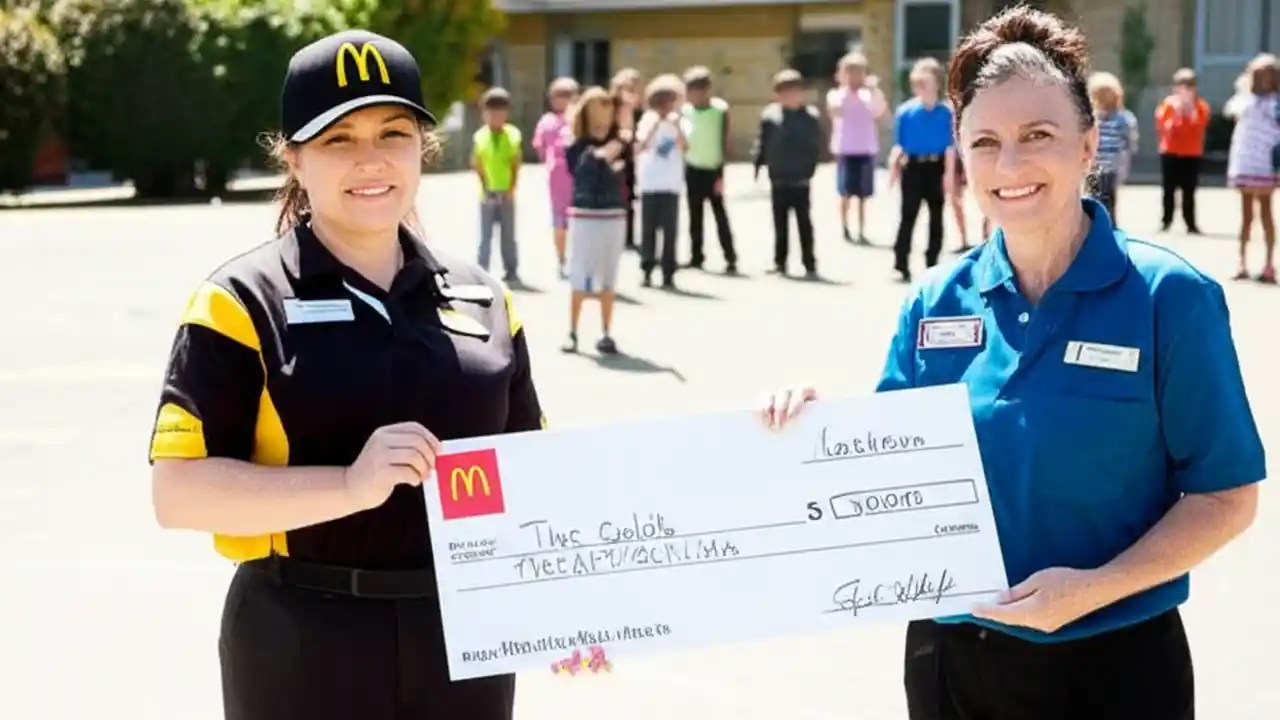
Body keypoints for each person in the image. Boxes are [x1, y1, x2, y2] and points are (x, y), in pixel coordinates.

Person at [759, 7, 1264, 720]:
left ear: (1089, 144)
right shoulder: (934, 301)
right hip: (951, 659)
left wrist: (1093, 587)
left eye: (1039, 136)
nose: (1011, 165)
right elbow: (889, 471)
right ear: (960, 153)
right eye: (986, 142)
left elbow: (1226, 496)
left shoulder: (1170, 299)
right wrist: (811, 426)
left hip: (1114, 663)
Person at [149, 30, 548, 720]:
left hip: (468, 633)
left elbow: (543, 480)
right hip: (300, 636)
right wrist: (349, 486)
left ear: (420, 149)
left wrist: (771, 441)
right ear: (294, 158)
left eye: (393, 133)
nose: (370, 159)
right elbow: (179, 495)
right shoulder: (239, 301)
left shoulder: (486, 299)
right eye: (338, 138)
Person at [562, 86, 628, 355]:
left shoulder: (622, 143)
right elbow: (583, 170)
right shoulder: (575, 147)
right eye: (596, 113)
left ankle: (606, 332)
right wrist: (605, 154)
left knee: (609, 277)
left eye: (608, 112)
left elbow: (625, 171)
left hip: (614, 214)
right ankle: (573, 332)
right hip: (585, 215)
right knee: (580, 275)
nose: (603, 120)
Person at [888, 57, 956, 282]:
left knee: (936, 217)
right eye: (917, 84)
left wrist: (949, 175)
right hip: (913, 168)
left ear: (937, 83)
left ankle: (932, 262)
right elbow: (899, 145)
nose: (921, 89)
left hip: (936, 167)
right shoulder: (905, 112)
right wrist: (893, 169)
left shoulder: (947, 113)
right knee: (908, 215)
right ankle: (901, 262)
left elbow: (950, 147)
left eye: (925, 83)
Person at [754, 68, 823, 278]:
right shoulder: (770, 117)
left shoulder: (810, 118)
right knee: (780, 222)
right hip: (778, 177)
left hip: (801, 179)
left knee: (804, 222)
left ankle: (809, 262)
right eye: (784, 92)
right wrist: (758, 164)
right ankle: (780, 261)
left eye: (793, 91)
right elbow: (763, 143)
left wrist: (810, 169)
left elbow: (815, 147)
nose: (789, 96)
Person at [1223, 53, 1280, 283]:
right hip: (1246, 162)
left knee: (1266, 212)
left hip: (1266, 164)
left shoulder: (1276, 102)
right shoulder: (1243, 99)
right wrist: (1243, 87)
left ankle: (1268, 263)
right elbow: (1230, 112)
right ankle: (1242, 262)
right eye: (1257, 74)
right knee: (1246, 215)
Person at [681, 65, 738, 274]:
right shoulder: (685, 111)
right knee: (694, 216)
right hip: (692, 168)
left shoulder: (719, 110)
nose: (693, 95)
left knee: (719, 214)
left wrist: (722, 172)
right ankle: (696, 256)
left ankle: (730, 256)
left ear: (707, 90)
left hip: (713, 169)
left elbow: (724, 142)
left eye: (697, 90)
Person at [827, 52, 887, 245]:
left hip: (865, 149)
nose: (855, 77)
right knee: (845, 192)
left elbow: (879, 112)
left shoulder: (869, 95)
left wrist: (875, 91)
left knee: (863, 194)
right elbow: (835, 111)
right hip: (846, 149)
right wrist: (848, 90)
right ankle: (845, 227)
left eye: (859, 72)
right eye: (850, 72)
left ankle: (861, 229)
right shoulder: (836, 94)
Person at [635, 73, 688, 289]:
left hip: (671, 184)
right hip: (650, 183)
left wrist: (676, 127)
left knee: (670, 232)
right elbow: (640, 146)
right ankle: (647, 269)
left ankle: (668, 272)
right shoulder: (647, 119)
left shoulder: (680, 120)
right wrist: (656, 125)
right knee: (648, 231)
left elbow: (685, 146)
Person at [472, 87, 523, 283]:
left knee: (508, 235)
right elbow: (477, 163)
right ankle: (481, 270)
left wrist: (512, 188)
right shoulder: (480, 136)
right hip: (487, 192)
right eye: (491, 111)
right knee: (485, 235)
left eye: (500, 110)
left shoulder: (512, 135)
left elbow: (515, 164)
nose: (495, 115)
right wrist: (484, 185)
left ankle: (511, 269)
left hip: (506, 191)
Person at [533, 76, 580, 278]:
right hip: (557, 178)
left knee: (579, 220)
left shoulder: (579, 119)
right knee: (559, 221)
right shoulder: (547, 121)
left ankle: (579, 258)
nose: (561, 100)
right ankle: (561, 259)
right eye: (557, 95)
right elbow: (539, 147)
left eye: (567, 95)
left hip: (579, 177)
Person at [1155, 68, 1210, 234]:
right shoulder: (1167, 104)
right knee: (1168, 189)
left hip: (1191, 153)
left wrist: (1190, 111)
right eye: (1181, 84)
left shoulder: (1200, 106)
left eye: (1189, 85)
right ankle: (1166, 221)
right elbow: (1163, 127)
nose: (1185, 88)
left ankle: (1190, 223)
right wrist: (1178, 113)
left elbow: (1199, 127)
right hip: (1171, 151)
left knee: (1189, 190)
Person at [1088, 71, 1139, 224]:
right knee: (1094, 198)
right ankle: (1096, 224)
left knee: (1108, 197)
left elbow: (1129, 141)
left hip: (1112, 166)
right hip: (1093, 165)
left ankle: (1109, 225)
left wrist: (1125, 164)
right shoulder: (1091, 117)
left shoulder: (1123, 118)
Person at [611, 67, 645, 252]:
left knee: (630, 199)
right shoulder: (610, 110)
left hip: (633, 160)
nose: (632, 94)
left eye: (634, 89)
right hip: (615, 157)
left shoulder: (641, 113)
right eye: (627, 89)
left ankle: (628, 237)